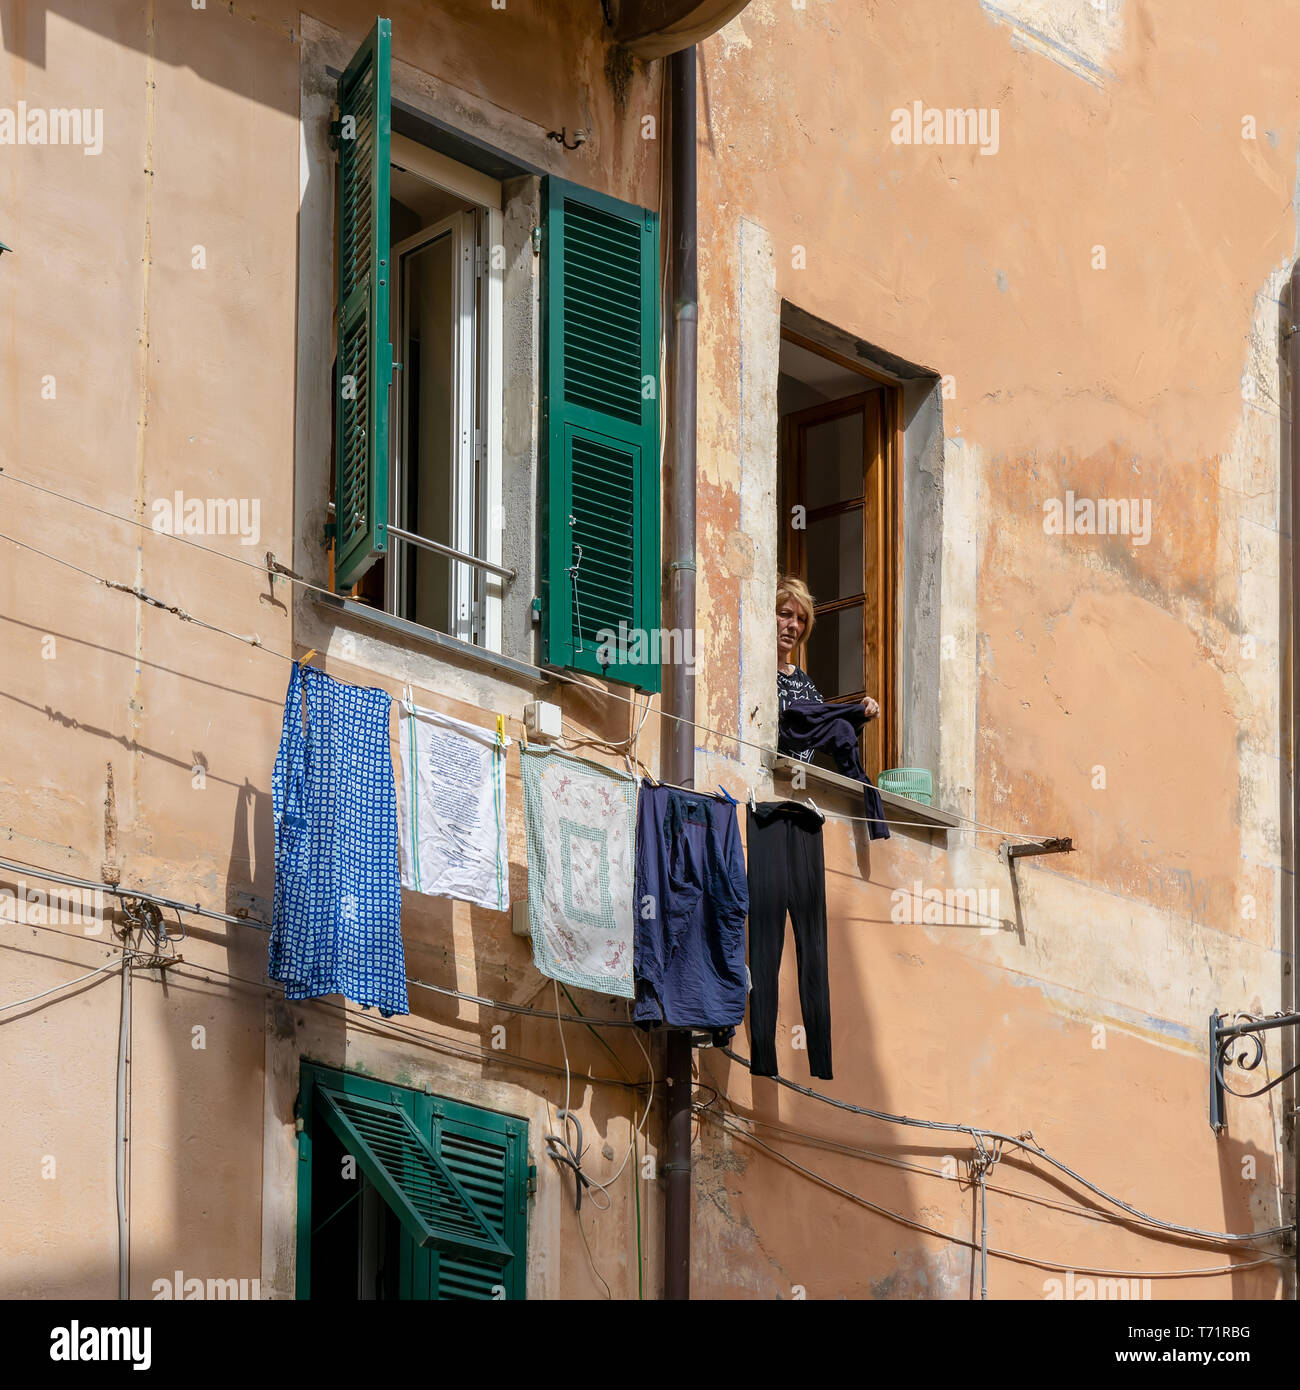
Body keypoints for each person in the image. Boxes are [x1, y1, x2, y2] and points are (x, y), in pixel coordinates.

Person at [775, 576, 879, 764]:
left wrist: (858, 713)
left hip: (798, 785)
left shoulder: (803, 682)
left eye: (801, 619)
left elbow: (827, 735)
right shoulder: (756, 673)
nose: (794, 626)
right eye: (785, 614)